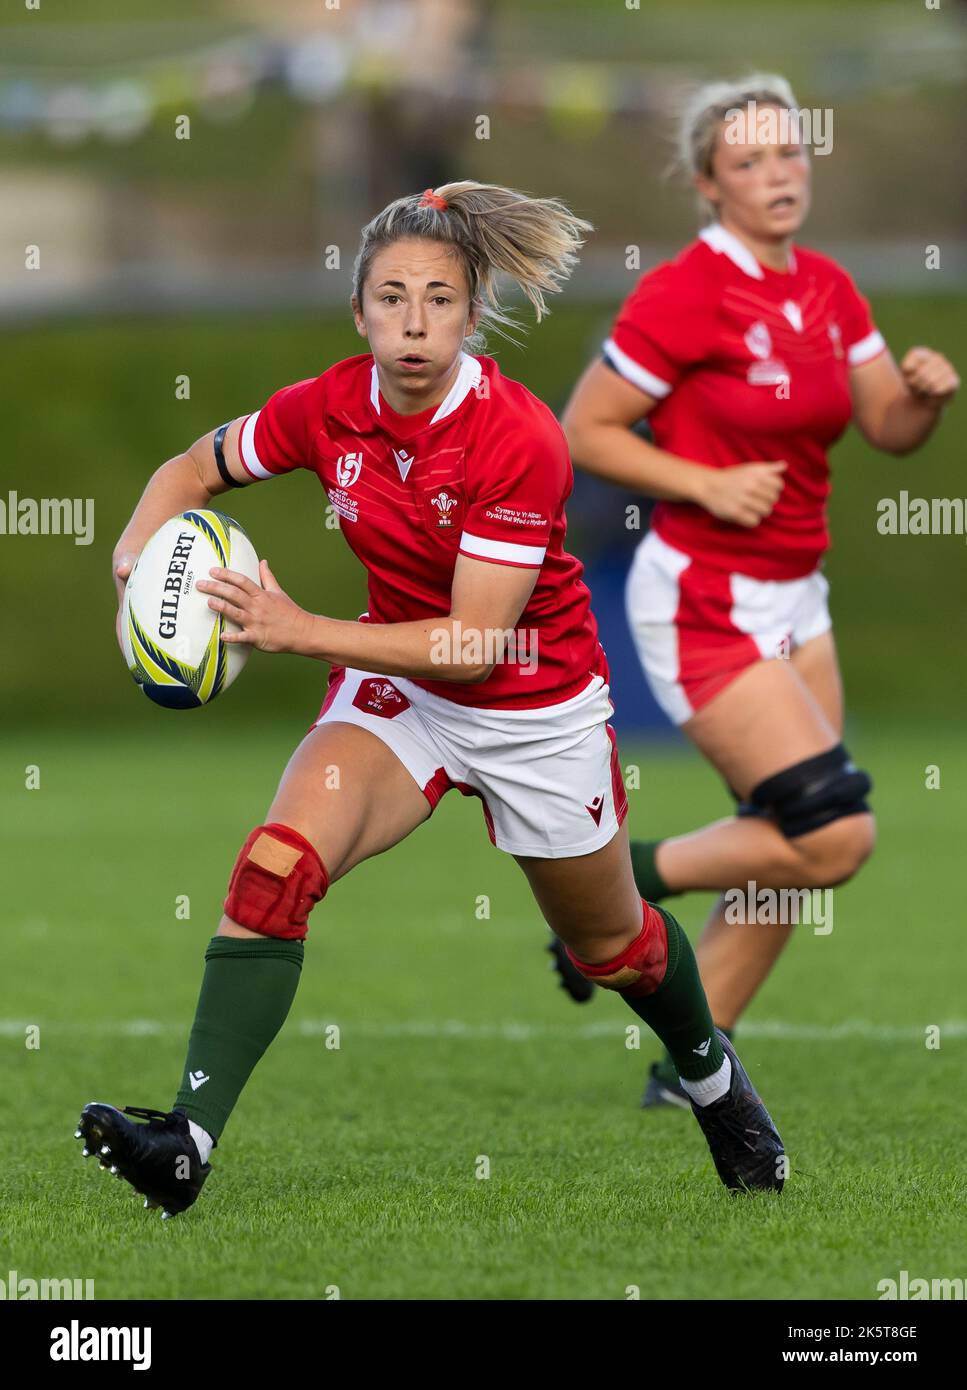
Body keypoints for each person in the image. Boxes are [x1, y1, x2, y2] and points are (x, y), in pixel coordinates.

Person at [76, 181, 785, 1215]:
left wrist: (295, 627)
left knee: (614, 948)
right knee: (276, 867)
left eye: (440, 300)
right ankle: (185, 1139)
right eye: (393, 298)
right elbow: (193, 467)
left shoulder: (516, 436)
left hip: (531, 703)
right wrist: (138, 565)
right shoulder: (325, 406)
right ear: (359, 311)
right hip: (393, 686)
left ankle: (713, 1077)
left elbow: (472, 643)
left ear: (470, 310)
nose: (415, 322)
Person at [553, 77, 959, 1107]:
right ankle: (624, 878)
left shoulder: (825, 285)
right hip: (705, 597)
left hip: (795, 593)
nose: (777, 176)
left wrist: (923, 398)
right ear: (706, 184)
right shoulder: (685, 291)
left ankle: (696, 1065)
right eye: (749, 162)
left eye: (789, 155)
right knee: (828, 834)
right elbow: (580, 431)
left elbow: (887, 430)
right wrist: (703, 481)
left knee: (779, 834)